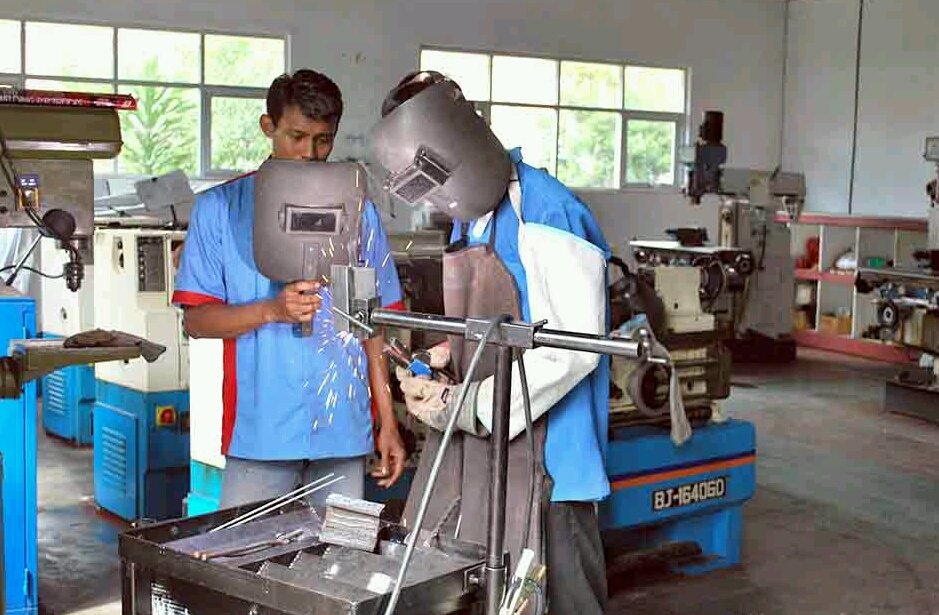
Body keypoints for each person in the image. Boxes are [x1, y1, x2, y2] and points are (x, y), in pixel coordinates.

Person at [369, 70, 612, 614]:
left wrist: (470, 405)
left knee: (564, 599)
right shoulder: (471, 218)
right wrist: (437, 359)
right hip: (487, 453)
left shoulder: (543, 210)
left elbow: (576, 347)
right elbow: (488, 323)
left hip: (550, 463)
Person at [173, 69, 407, 510]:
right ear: (269, 127)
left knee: (336, 567)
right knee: (247, 565)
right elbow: (198, 322)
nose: (309, 153)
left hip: (343, 431)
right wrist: (271, 311)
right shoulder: (220, 210)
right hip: (261, 435)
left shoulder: (358, 211)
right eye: (296, 136)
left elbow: (370, 326)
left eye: (323, 140)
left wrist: (387, 422)